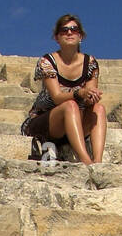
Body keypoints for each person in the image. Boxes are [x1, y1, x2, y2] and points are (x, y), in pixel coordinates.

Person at [20, 13, 106, 164]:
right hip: (47, 123)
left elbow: (89, 98)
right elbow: (57, 97)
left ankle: (98, 162)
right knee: (69, 105)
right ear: (56, 38)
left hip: (75, 123)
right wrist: (79, 92)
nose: (69, 32)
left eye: (74, 29)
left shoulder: (90, 63)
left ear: (81, 36)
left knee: (98, 108)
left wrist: (92, 96)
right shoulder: (47, 61)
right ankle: (86, 161)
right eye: (64, 30)